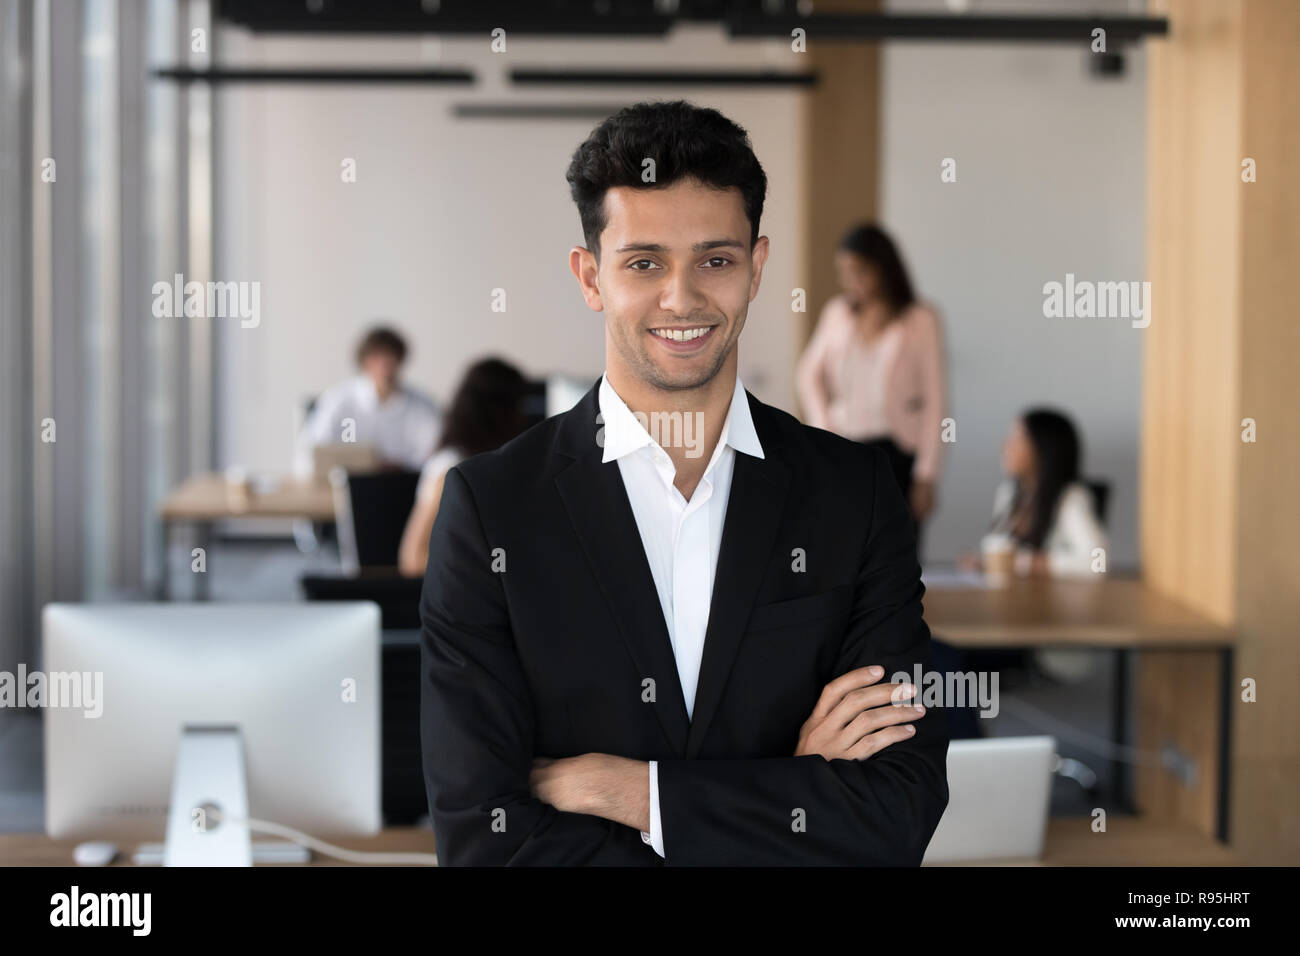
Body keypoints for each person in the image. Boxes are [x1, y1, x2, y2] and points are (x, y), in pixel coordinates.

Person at [419, 100, 949, 866]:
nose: (682, 298)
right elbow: (484, 841)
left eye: (716, 259)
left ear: (756, 269)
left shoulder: (853, 493)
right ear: (590, 276)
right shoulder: (492, 509)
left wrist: (636, 794)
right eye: (643, 263)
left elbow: (895, 813)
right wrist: (792, 788)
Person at [795, 224, 947, 552]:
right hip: (843, 449)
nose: (853, 281)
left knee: (896, 555)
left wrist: (927, 473)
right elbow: (808, 374)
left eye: (860, 271)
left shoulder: (921, 319)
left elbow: (936, 399)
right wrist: (823, 426)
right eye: (846, 272)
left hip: (897, 452)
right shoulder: (838, 313)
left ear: (884, 268)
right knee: (841, 550)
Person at [398, 357, 528, 578]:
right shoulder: (450, 468)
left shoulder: (498, 463)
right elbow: (413, 559)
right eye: (518, 405)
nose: (523, 416)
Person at [958, 409, 1108, 577]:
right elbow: (998, 547)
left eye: (1017, 437)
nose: (1006, 446)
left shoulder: (1070, 497)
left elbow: (1097, 562)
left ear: (1044, 446)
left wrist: (1026, 563)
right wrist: (982, 561)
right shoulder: (1008, 493)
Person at [294, 325, 441, 476]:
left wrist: (397, 466)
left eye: (391, 356)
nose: (385, 364)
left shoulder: (423, 406)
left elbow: (437, 459)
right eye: (377, 357)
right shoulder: (339, 400)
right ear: (364, 361)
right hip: (344, 487)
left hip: (404, 487)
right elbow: (309, 455)